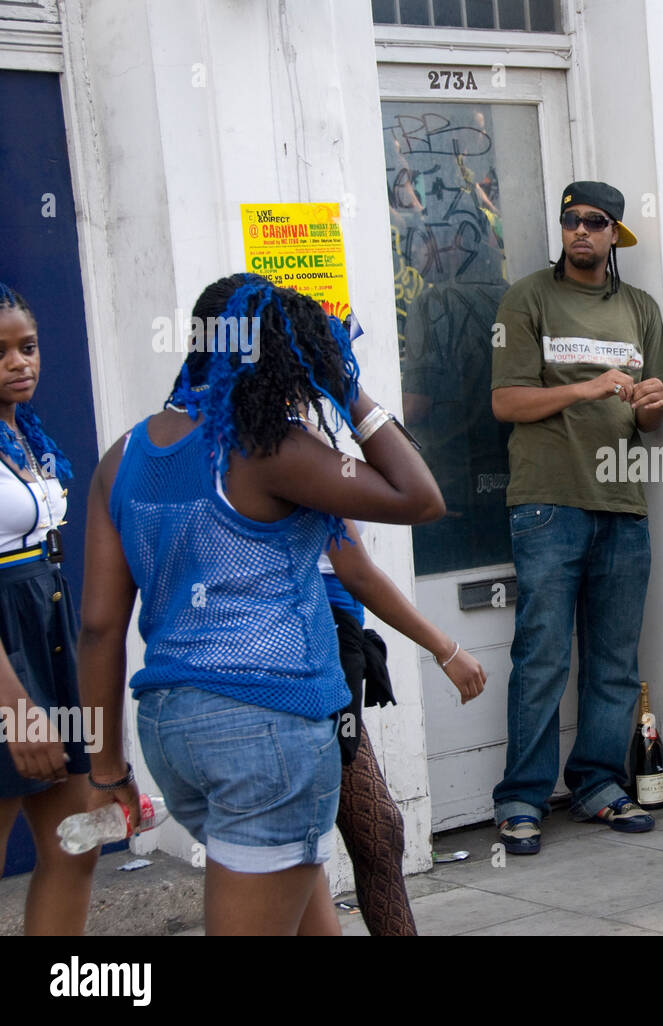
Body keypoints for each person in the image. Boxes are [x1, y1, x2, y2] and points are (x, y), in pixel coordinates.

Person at [77, 275, 443, 935]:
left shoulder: (123, 457)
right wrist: (346, 385)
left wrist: (107, 768)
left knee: (306, 916)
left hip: (171, 729)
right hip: (269, 726)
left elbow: (99, 629)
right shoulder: (270, 450)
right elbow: (420, 496)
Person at [490, 181, 663, 854]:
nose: (581, 231)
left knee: (615, 660)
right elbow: (506, 402)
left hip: (623, 502)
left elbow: (653, 417)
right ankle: (522, 799)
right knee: (542, 656)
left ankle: (599, 785)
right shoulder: (529, 298)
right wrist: (590, 386)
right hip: (548, 501)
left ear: (615, 234)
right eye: (571, 220)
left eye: (596, 222)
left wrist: (653, 405)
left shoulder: (639, 307)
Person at [322, 519, 486, 936]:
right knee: (366, 833)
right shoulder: (307, 473)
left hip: (335, 644)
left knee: (374, 833)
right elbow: (358, 570)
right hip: (316, 648)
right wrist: (446, 649)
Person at [0, 283, 99, 934]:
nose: (19, 362)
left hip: (49, 631)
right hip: (6, 652)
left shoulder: (27, 434)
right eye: (0, 352)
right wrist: (14, 707)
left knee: (77, 839)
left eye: (27, 346)